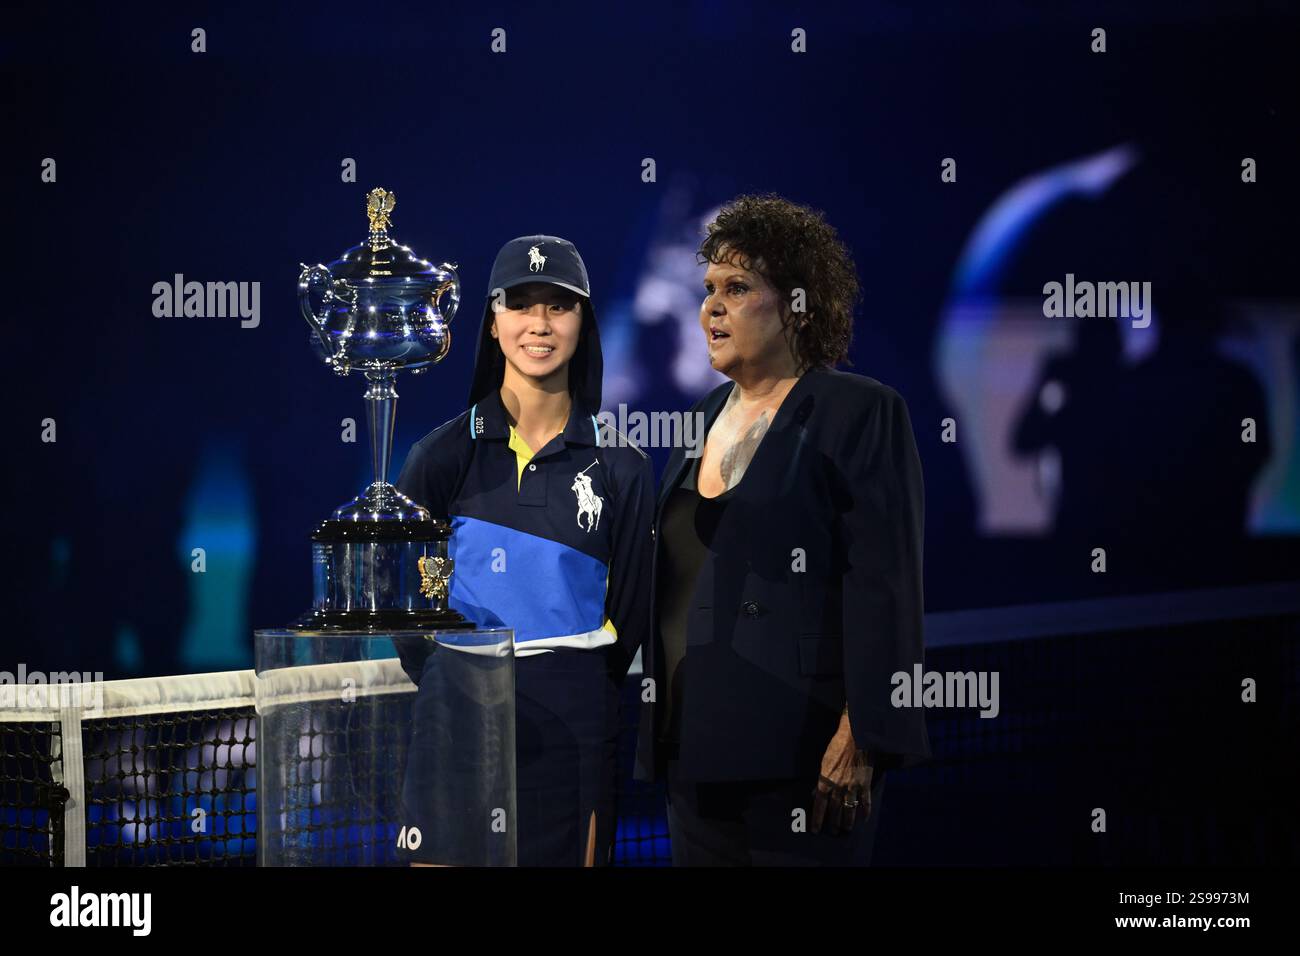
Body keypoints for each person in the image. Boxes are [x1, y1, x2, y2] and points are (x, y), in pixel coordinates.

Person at [634, 194, 932, 865]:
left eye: (737, 289)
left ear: (798, 305)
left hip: (806, 759)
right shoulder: (701, 417)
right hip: (694, 757)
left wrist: (863, 734)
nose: (711, 307)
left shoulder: (859, 411)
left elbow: (886, 584)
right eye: (708, 289)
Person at [396, 235, 654, 866]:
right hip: (456, 715)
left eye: (559, 306)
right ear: (492, 320)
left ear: (583, 323)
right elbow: (410, 614)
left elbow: (630, 615)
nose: (539, 324)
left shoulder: (623, 468)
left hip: (577, 724)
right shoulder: (439, 457)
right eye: (521, 304)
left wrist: (563, 677)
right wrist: (458, 681)